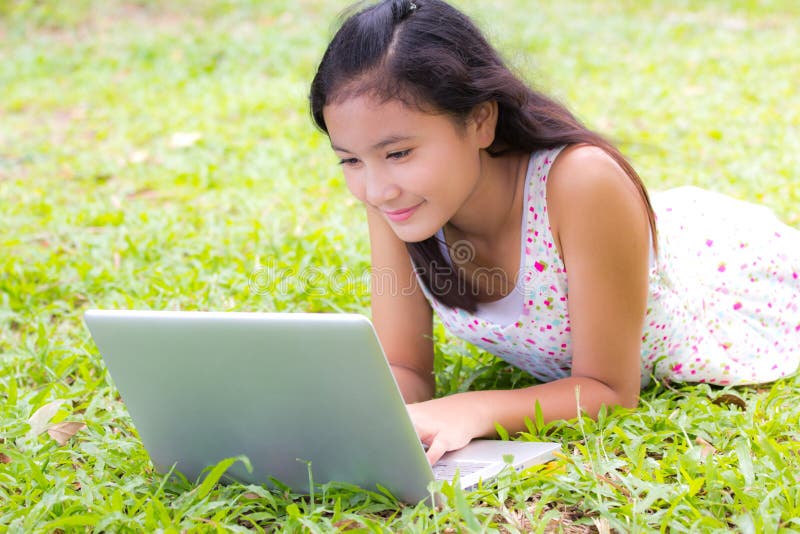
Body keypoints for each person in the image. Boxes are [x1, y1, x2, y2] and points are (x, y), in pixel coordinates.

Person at [308, 0, 800, 465]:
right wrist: (342, 417)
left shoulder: (582, 183)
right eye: (350, 160)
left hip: (719, 273)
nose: (374, 188)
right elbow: (407, 370)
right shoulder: (398, 201)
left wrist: (474, 409)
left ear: (480, 121)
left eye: (398, 153)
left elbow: (610, 390)